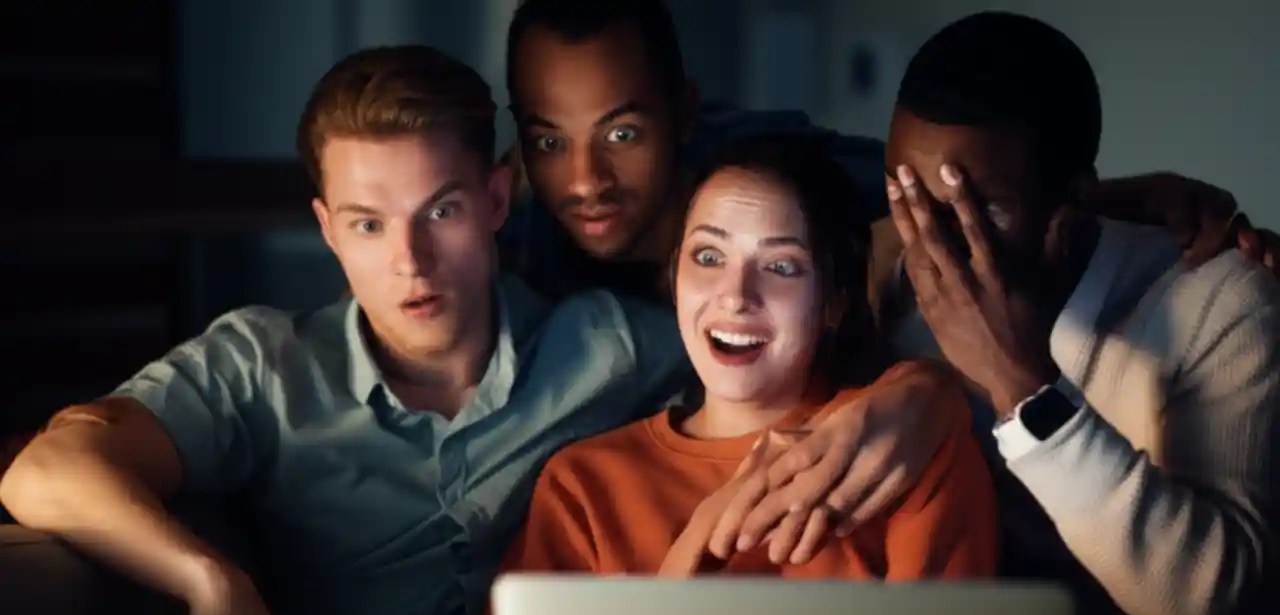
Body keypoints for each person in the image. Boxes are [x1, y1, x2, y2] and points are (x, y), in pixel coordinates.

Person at [0, 45, 693, 615]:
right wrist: (210, 583)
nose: (410, 262)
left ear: (495, 198)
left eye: (442, 211)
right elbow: (44, 470)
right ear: (328, 230)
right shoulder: (264, 365)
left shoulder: (608, 347)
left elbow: (784, 367)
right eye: (369, 224)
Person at [466, 135, 999, 615]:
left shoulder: (907, 443)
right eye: (709, 257)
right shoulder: (582, 487)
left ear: (834, 303)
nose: (736, 296)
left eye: (780, 267)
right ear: (674, 277)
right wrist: (698, 546)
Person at [861, 11, 1276, 615]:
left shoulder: (1219, 299)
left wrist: (1022, 386)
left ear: (1074, 201)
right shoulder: (884, 266)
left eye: (978, 209)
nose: (932, 244)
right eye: (911, 200)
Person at [499, 0, 1277, 310]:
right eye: (548, 141)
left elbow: (945, 190)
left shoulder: (773, 169)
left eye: (622, 134)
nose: (586, 180)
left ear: (685, 113)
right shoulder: (519, 256)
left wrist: (1129, 200)